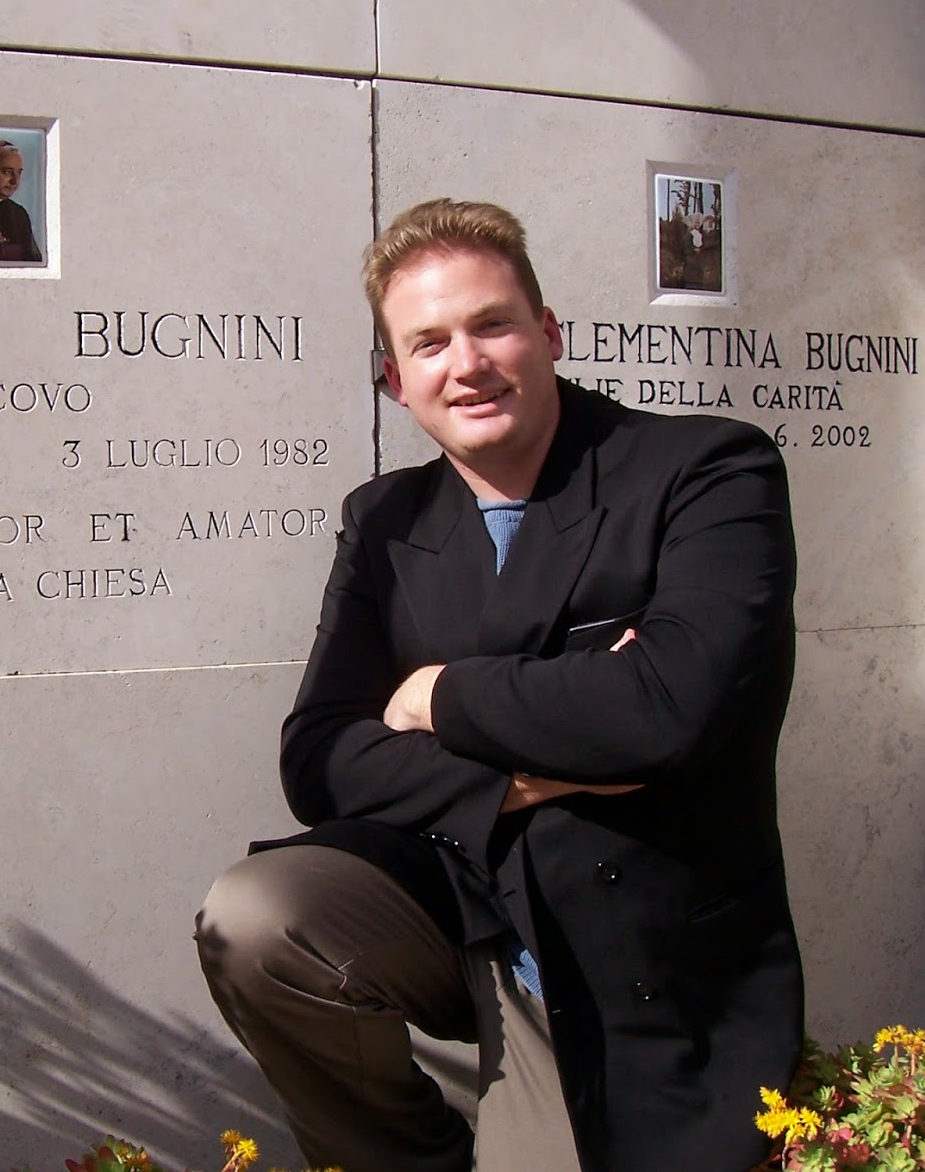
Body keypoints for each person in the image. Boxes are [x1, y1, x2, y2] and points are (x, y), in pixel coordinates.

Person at [196, 199, 803, 1172]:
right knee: (259, 918)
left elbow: (665, 711)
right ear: (395, 381)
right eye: (427, 343)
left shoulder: (703, 468)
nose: (465, 363)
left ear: (548, 332)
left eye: (491, 324)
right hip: (452, 889)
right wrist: (521, 775)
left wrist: (433, 695)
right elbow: (317, 755)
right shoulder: (384, 518)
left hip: (622, 941)